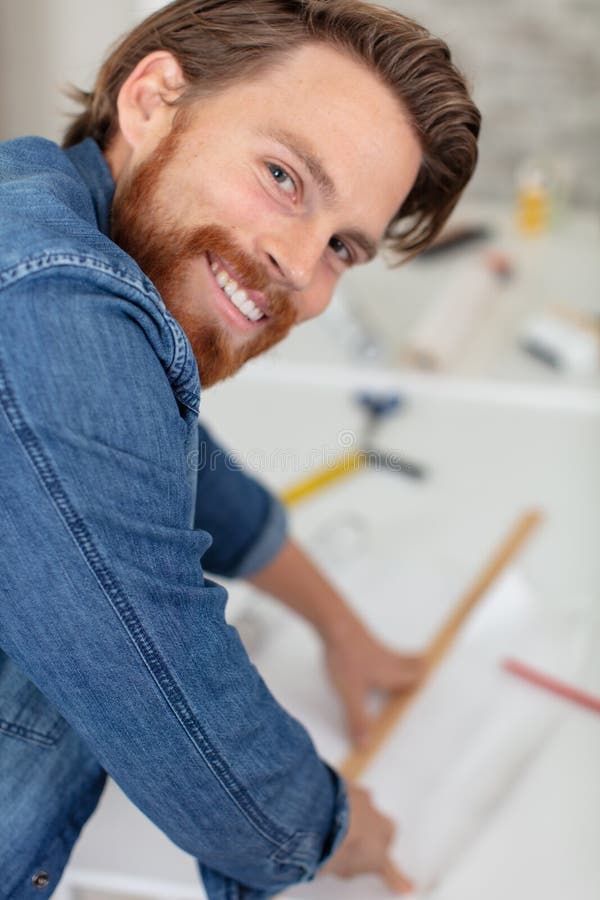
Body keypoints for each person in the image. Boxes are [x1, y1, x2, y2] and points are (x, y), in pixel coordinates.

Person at [0, 1, 480, 897]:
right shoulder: (45, 299)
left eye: (343, 245)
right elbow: (169, 702)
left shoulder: (50, 233)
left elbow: (169, 471)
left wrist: (340, 627)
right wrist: (331, 826)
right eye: (284, 176)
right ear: (151, 100)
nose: (302, 266)